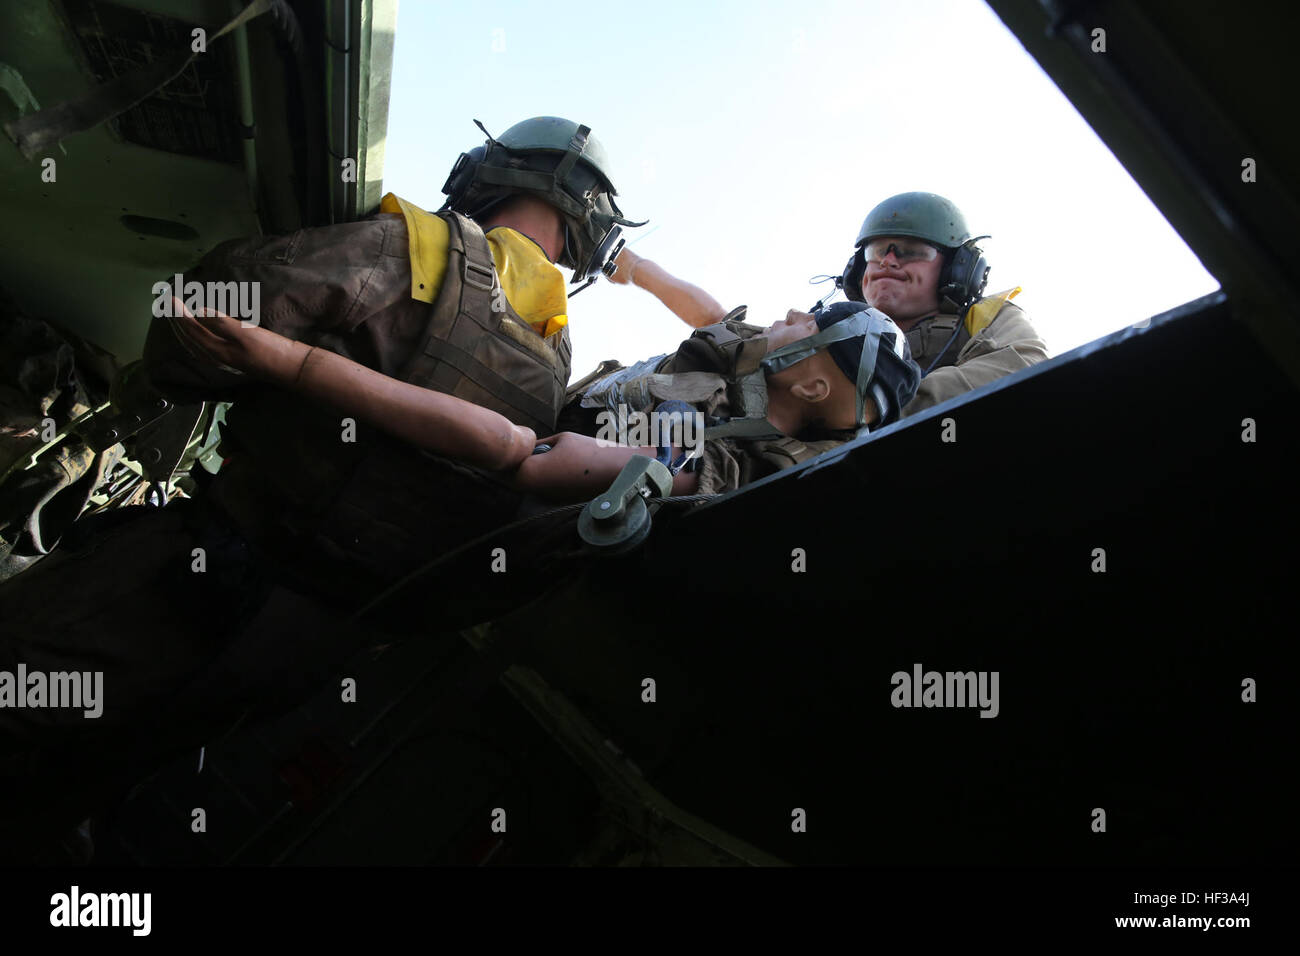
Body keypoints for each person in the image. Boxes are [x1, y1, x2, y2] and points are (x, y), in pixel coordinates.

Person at [0, 115, 644, 859]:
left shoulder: (420, 247)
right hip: (280, 664)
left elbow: (203, 313)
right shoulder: (551, 370)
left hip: (181, 583)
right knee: (69, 791)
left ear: (504, 171)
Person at [837, 191, 1049, 414]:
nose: (887, 261)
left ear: (957, 269)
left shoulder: (989, 318)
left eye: (911, 251)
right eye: (877, 252)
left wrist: (873, 409)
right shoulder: (826, 334)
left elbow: (1025, 367)